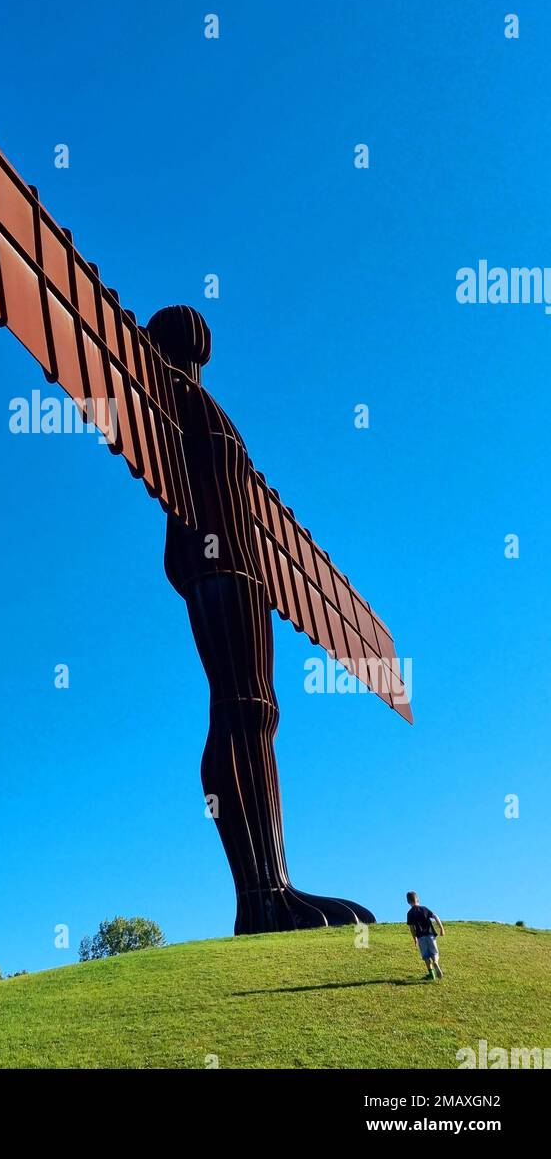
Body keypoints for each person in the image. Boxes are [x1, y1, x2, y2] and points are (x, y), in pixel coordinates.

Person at [146, 305, 375, 934]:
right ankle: (259, 895)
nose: (196, 340)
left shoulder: (213, 411)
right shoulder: (162, 394)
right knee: (239, 704)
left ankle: (276, 883)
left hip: (248, 574)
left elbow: (252, 506)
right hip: (211, 566)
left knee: (259, 709)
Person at [406, 891, 445, 979]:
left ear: (408, 902)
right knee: (434, 953)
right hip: (430, 935)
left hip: (420, 937)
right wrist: (441, 928)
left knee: (426, 956)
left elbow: (412, 928)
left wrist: (414, 938)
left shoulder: (410, 913)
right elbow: (435, 916)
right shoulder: (424, 909)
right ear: (418, 899)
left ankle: (431, 974)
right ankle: (435, 962)